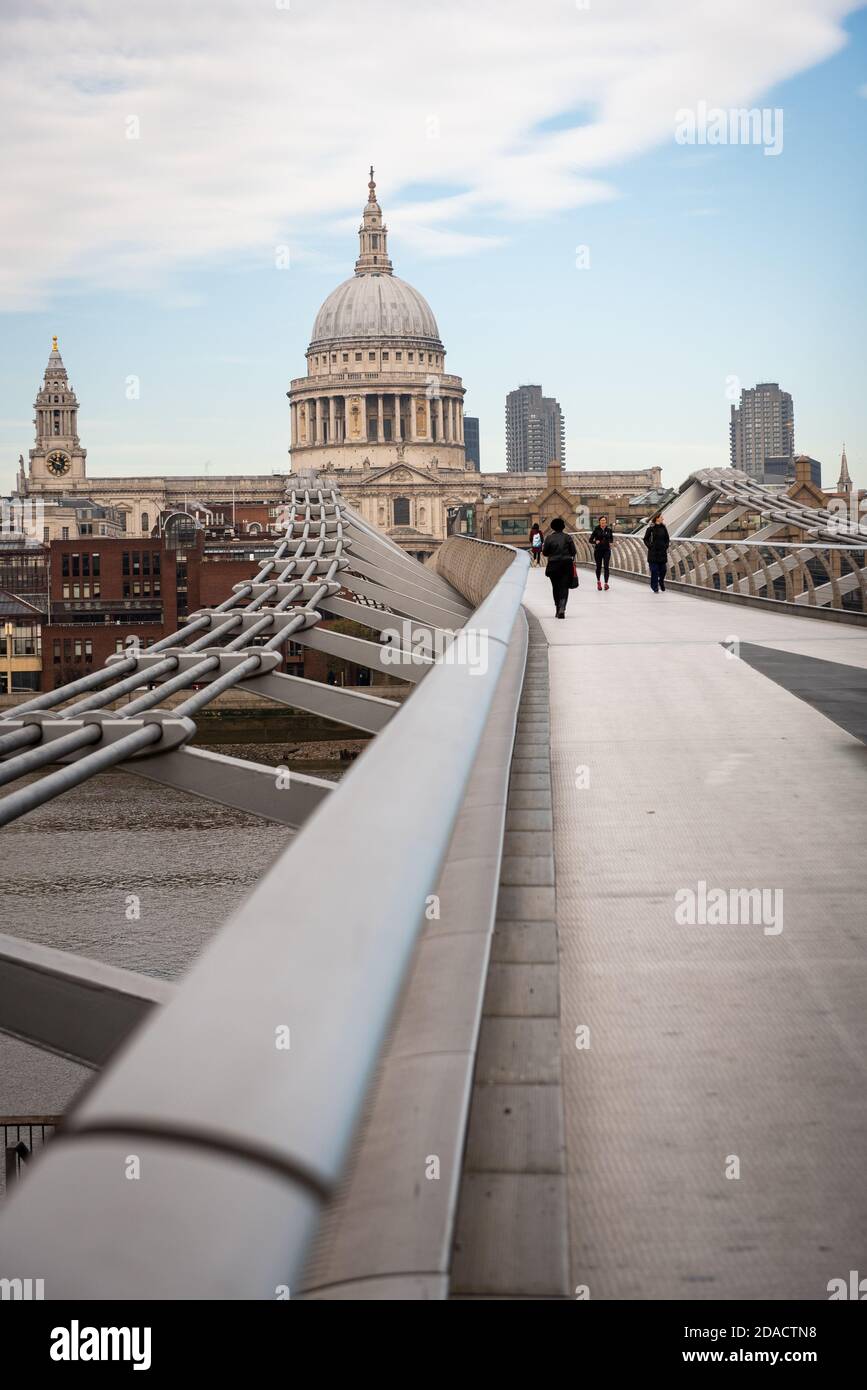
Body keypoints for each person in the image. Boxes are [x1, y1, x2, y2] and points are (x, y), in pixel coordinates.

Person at [542, 516, 577, 619]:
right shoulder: (567, 537)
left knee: (555, 587)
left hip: (553, 565)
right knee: (564, 587)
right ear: (563, 527)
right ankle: (562, 607)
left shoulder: (549, 538)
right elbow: (573, 552)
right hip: (566, 564)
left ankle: (557, 608)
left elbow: (545, 552)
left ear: (552, 527)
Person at [643, 512, 670, 592]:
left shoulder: (664, 528)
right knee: (654, 571)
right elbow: (645, 539)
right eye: (661, 517)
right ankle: (654, 587)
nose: (663, 519)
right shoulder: (651, 528)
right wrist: (650, 547)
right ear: (657, 518)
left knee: (663, 570)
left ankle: (661, 581)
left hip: (662, 553)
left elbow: (667, 539)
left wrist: (666, 546)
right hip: (653, 553)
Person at [590, 514, 614, 590]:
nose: (603, 522)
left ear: (606, 522)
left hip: (607, 550)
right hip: (598, 550)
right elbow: (590, 540)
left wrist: (610, 542)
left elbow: (611, 538)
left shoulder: (609, 530)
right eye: (602, 520)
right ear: (599, 522)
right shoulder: (596, 529)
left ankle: (606, 583)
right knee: (599, 567)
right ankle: (599, 582)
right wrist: (595, 542)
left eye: (604, 520)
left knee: (606, 566)